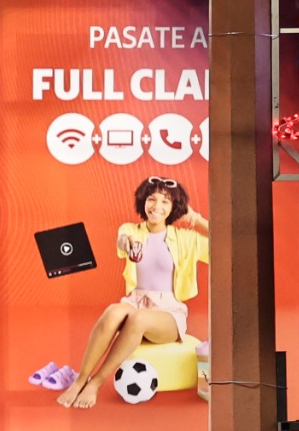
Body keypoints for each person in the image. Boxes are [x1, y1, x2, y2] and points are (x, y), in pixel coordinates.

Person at [56, 176, 208, 410]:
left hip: (168, 312)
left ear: (174, 207)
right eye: (152, 199)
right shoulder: (132, 230)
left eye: (165, 201)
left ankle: (96, 382)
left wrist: (195, 218)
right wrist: (127, 245)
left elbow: (227, 242)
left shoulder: (186, 239)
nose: (157, 206)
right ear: (143, 202)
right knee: (113, 311)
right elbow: (122, 239)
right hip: (135, 300)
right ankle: (80, 379)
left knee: (138, 318)